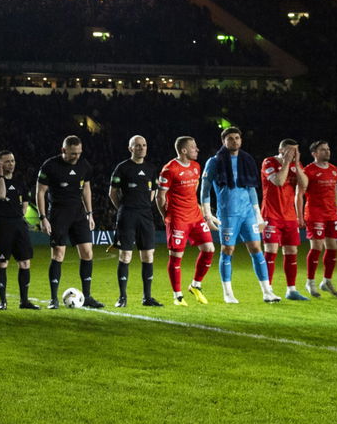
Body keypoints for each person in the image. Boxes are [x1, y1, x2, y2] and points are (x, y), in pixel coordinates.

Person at [201, 128, 280, 303]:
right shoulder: (214, 162)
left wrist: (258, 214)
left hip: (247, 213)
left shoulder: (247, 160)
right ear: (224, 141)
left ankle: (267, 291)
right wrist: (207, 213)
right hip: (228, 213)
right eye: (230, 139)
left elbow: (251, 188)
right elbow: (205, 188)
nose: (235, 141)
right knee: (228, 250)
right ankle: (228, 293)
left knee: (257, 249)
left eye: (237, 138)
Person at [36, 135, 101, 309]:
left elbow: (86, 189)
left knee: (88, 253)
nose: (76, 156)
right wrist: (43, 217)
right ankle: (53, 299)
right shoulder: (50, 166)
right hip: (58, 214)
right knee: (58, 254)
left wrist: (90, 214)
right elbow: (40, 192)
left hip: (79, 214)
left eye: (79, 153)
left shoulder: (84, 165)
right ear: (63, 150)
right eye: (73, 153)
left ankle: (86, 297)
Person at [157, 136, 218, 306]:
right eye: (193, 147)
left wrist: (201, 210)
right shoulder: (169, 169)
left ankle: (195, 285)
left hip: (195, 216)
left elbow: (193, 191)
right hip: (178, 218)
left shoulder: (197, 167)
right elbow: (159, 197)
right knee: (177, 257)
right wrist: (165, 216)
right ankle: (177, 296)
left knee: (209, 249)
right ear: (184, 150)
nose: (197, 150)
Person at [108, 135, 162, 307]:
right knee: (125, 256)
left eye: (144, 145)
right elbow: (112, 193)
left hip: (145, 215)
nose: (141, 148)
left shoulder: (151, 168)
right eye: (137, 146)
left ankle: (147, 297)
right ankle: (122, 297)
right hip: (127, 215)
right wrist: (123, 209)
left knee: (148, 255)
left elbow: (153, 192)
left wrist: (143, 206)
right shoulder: (122, 168)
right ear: (130, 148)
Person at [259, 139, 311, 301]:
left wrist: (295, 163)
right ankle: (268, 291)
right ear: (281, 150)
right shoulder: (269, 162)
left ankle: (291, 290)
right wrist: (287, 163)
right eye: (290, 151)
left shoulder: (297, 164)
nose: (293, 154)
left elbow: (304, 185)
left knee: (291, 252)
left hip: (289, 216)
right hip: (271, 214)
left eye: (296, 151)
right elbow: (279, 181)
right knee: (271, 252)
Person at [0, 150, 38, 309]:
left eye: (13, 160)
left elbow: (25, 205)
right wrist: (0, 177)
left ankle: (24, 301)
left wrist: (19, 217)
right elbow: (1, 195)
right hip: (2, 225)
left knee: (25, 263)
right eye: (7, 161)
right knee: (2, 263)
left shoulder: (20, 182)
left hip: (19, 225)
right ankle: (2, 301)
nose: (11, 163)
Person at [300, 140, 337, 298]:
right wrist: (300, 214)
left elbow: (334, 191)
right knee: (316, 247)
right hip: (315, 212)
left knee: (332, 248)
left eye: (328, 149)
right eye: (323, 150)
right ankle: (310, 282)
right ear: (314, 154)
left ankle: (326, 281)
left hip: (331, 214)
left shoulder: (334, 170)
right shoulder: (309, 170)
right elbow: (301, 193)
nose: (327, 152)